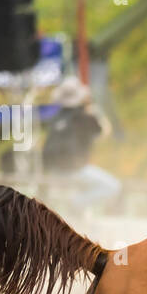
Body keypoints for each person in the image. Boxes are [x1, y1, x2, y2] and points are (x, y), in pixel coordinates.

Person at [43, 76, 122, 212]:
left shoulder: (56, 118)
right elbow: (104, 131)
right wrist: (92, 109)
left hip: (52, 170)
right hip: (75, 170)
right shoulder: (85, 117)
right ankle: (76, 203)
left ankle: (77, 207)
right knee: (113, 186)